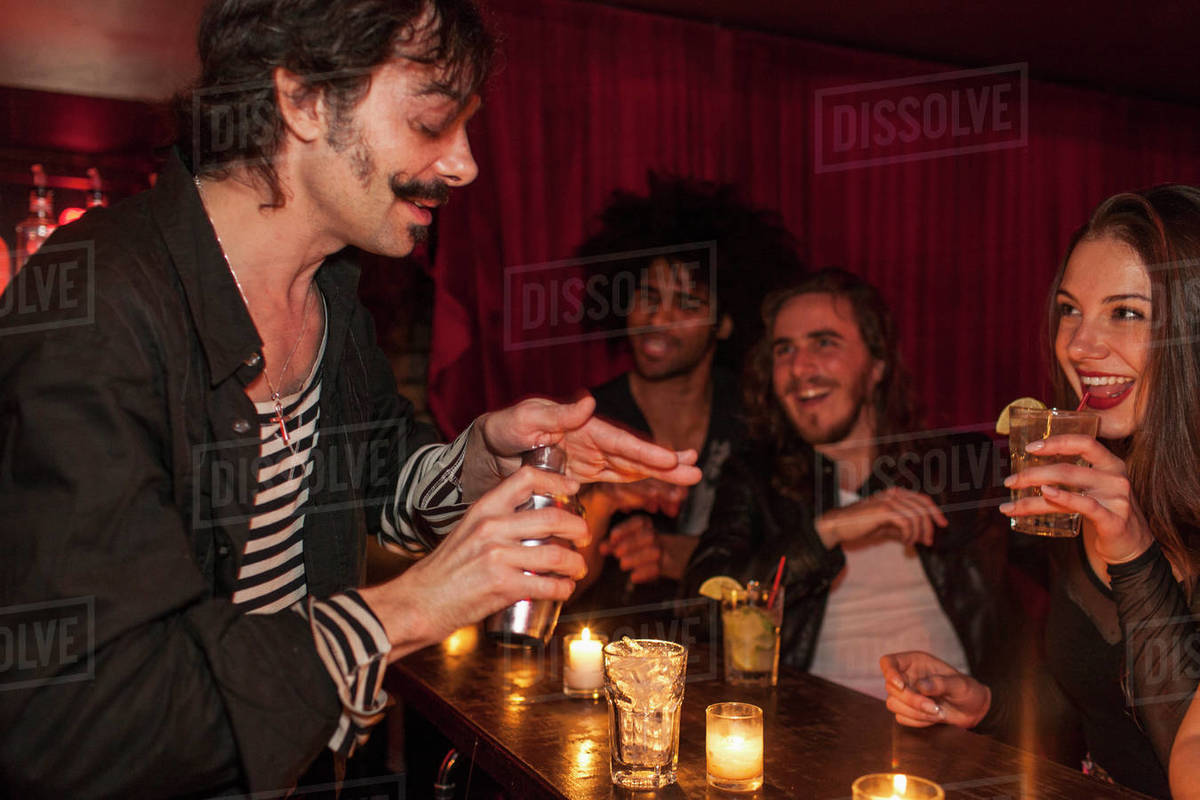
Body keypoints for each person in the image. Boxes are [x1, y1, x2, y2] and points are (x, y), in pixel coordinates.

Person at [0, 2, 700, 797]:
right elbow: (73, 722)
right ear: (301, 102)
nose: (465, 162)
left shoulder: (332, 297)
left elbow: (368, 477)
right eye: (435, 119)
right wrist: (413, 607)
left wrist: (479, 463)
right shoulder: (101, 300)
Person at [881, 185, 1200, 799]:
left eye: (1126, 313)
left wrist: (1135, 559)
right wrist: (988, 708)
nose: (1079, 345)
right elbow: (1096, 704)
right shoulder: (1095, 487)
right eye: (1069, 309)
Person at [685, 268, 1011, 698]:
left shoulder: (959, 467)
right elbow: (700, 608)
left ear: (877, 364)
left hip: (952, 732)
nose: (799, 367)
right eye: (784, 349)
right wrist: (827, 531)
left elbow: (1067, 570)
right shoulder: (755, 476)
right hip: (816, 733)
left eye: (824, 343)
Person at [566, 175, 804, 615]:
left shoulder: (757, 418)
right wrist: (602, 506)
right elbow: (547, 595)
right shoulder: (589, 422)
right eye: (649, 296)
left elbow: (796, 571)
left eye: (687, 305)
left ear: (726, 324)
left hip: (730, 662)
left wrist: (689, 557)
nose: (658, 318)